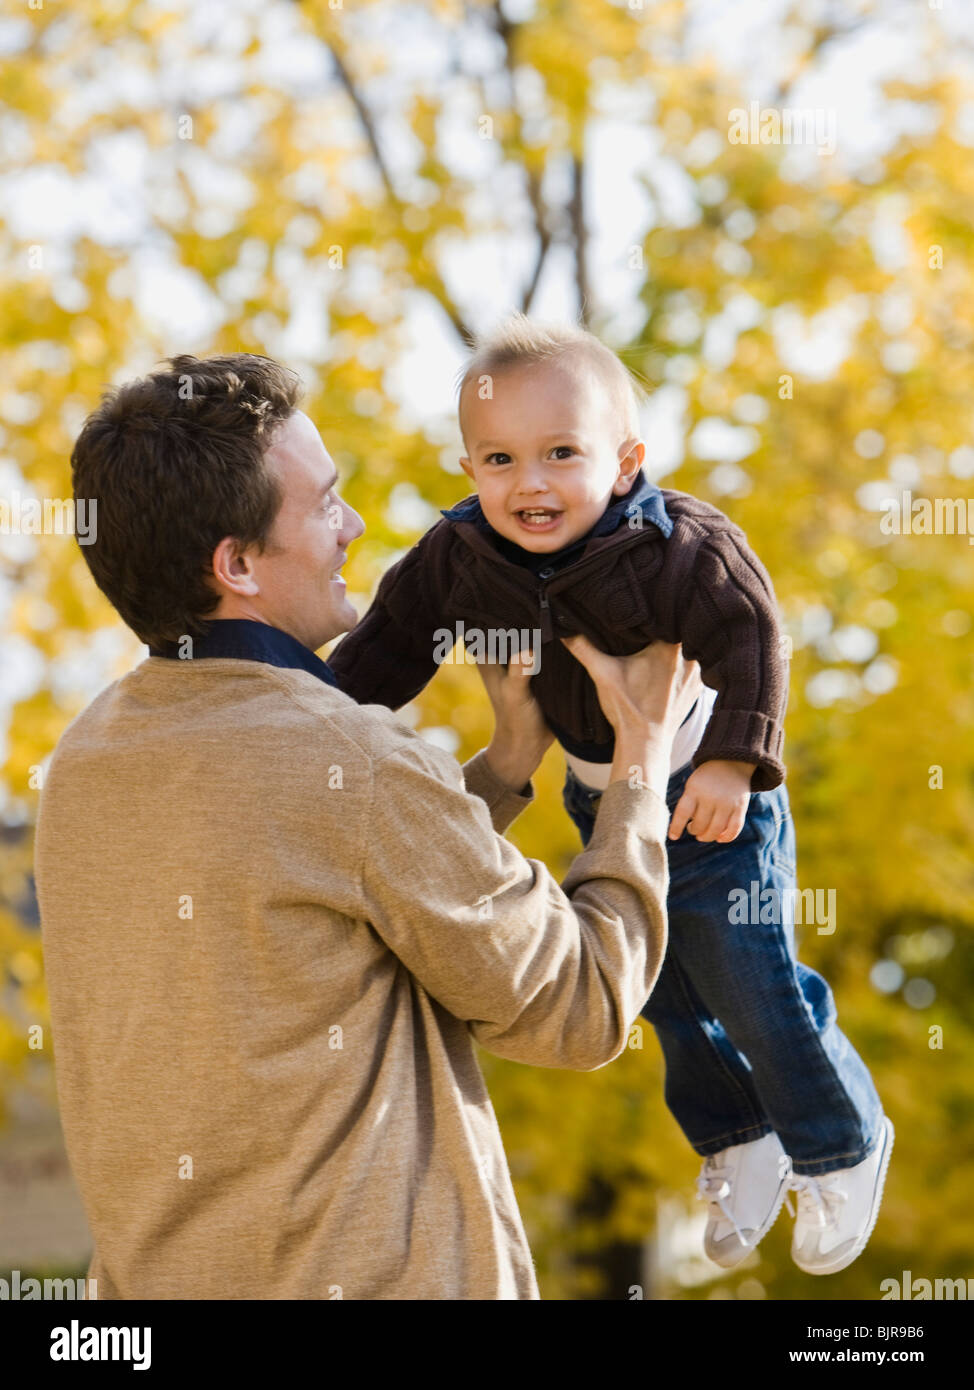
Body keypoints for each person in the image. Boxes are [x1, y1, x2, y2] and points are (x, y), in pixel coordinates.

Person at [34, 351, 701, 1300]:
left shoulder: (85, 765)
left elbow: (316, 906)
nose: (352, 528)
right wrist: (640, 765)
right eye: (323, 505)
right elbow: (581, 1004)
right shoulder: (351, 761)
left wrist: (506, 767)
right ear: (237, 567)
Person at [327, 313, 894, 1276]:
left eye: (561, 454)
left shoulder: (675, 544)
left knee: (750, 984)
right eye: (499, 460)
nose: (529, 483)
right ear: (469, 471)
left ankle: (842, 1139)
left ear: (625, 461)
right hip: (605, 800)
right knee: (663, 994)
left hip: (709, 790)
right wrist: (317, 717)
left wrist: (732, 762)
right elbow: (388, 642)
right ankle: (738, 1140)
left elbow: (752, 633)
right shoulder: (459, 560)